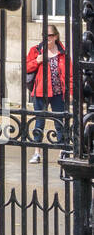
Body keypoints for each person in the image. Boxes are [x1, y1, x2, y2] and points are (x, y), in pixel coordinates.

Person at [25, 26, 71, 163]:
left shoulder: (63, 52)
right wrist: (37, 61)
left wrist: (71, 92)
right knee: (39, 122)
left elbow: (70, 73)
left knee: (59, 122)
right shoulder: (36, 50)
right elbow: (26, 67)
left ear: (56, 36)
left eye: (50, 35)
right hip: (40, 92)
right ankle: (37, 153)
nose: (47, 38)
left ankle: (62, 151)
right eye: (45, 35)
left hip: (58, 92)